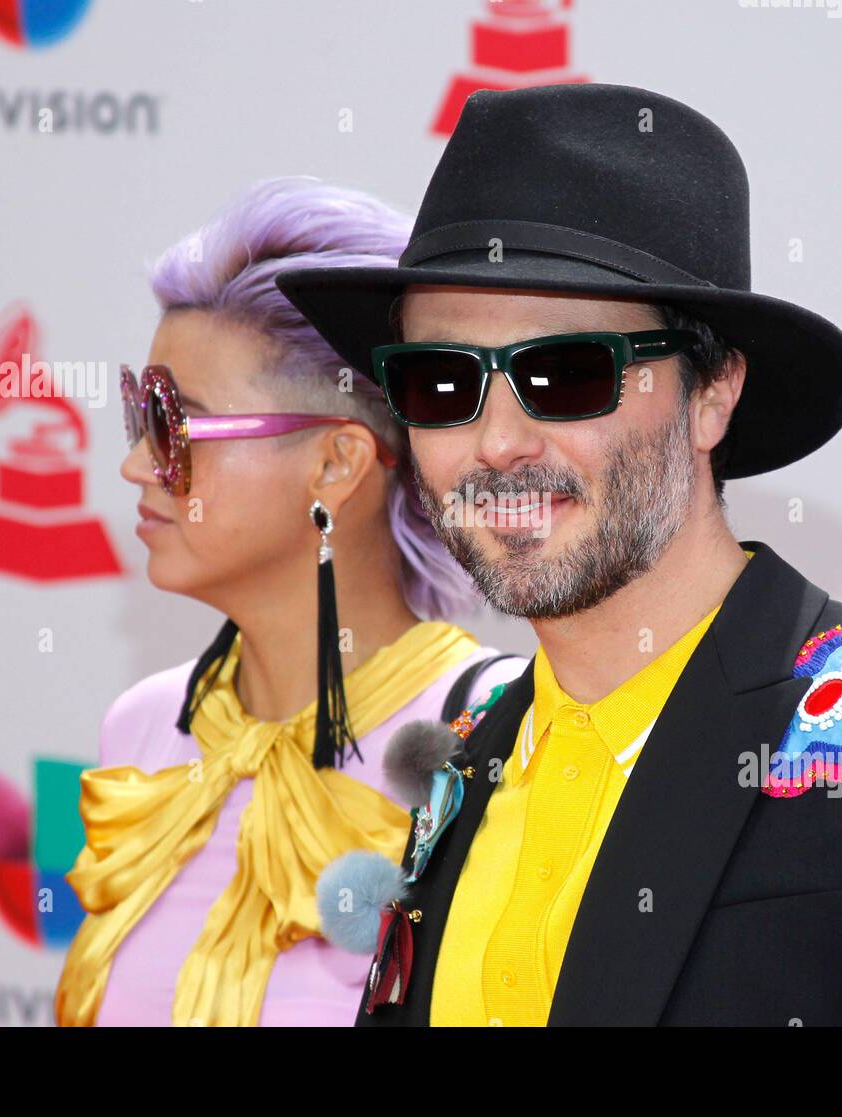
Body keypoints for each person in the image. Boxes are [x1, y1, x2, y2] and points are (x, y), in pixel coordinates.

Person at [278, 84, 842, 1026]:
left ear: (713, 393)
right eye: (441, 382)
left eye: (565, 374)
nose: (498, 442)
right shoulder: (467, 752)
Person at [53, 178, 527, 1027]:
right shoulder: (145, 726)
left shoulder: (493, 732)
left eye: (174, 424)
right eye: (137, 416)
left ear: (337, 463)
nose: (136, 465)